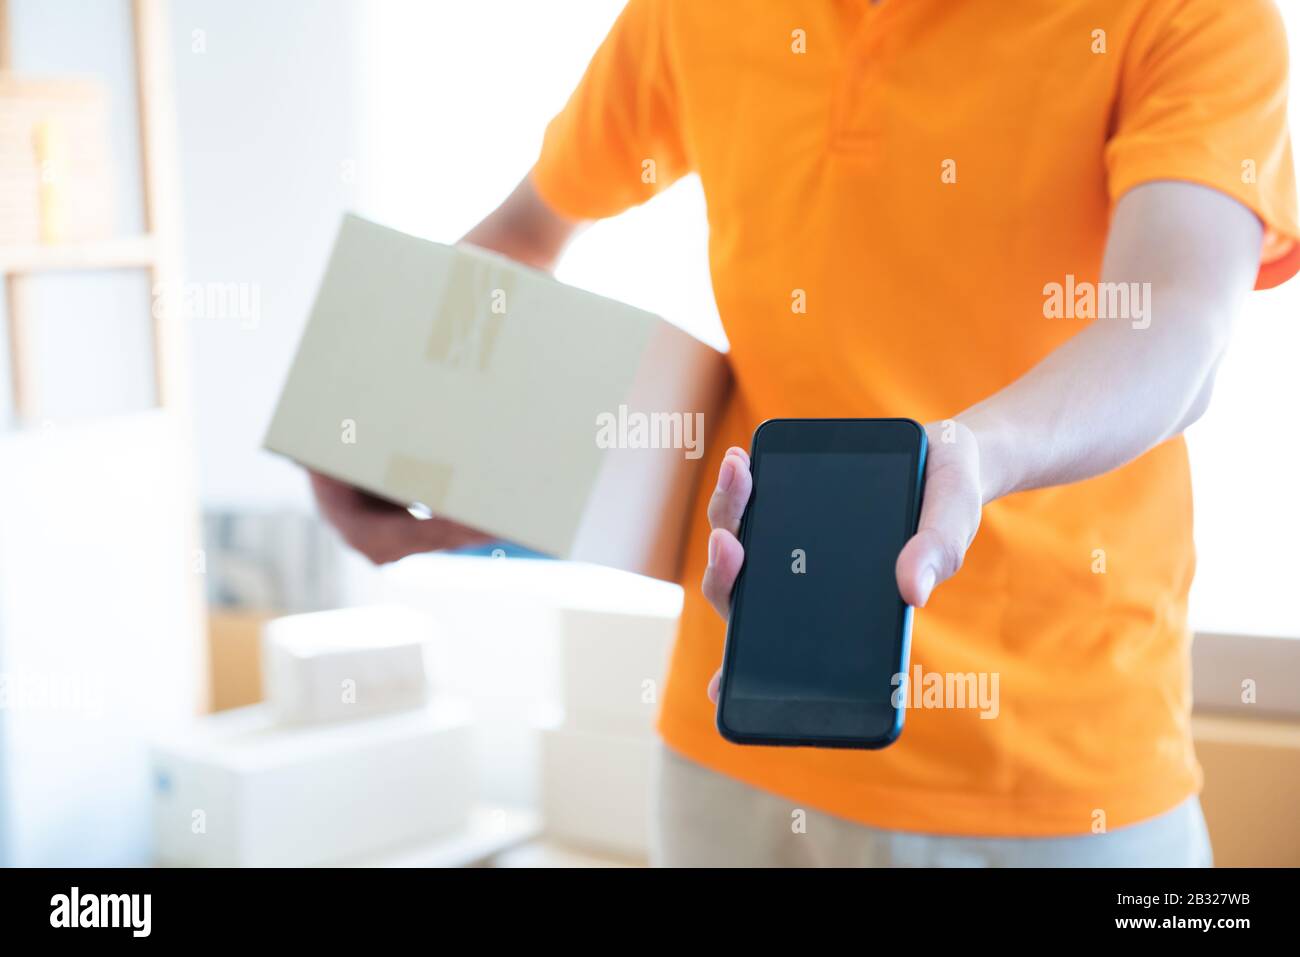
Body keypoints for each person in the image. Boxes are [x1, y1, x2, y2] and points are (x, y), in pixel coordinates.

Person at [310, 0, 1299, 866]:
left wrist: (977, 451)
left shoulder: (1191, 12)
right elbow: (525, 235)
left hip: (1055, 776)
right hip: (737, 723)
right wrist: (391, 421)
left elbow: (1171, 322)